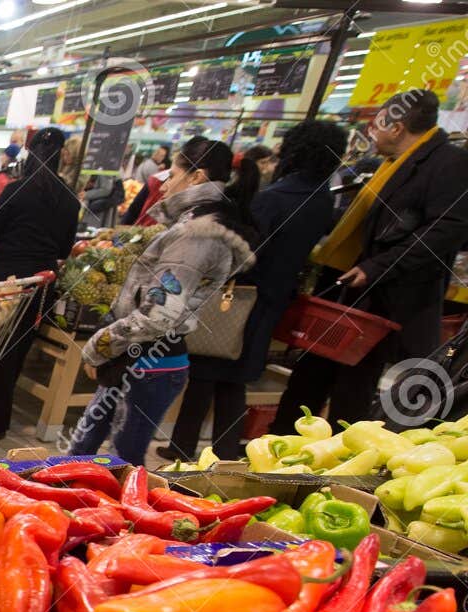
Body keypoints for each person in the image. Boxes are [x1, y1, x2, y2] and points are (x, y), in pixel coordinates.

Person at [274, 90, 468, 427]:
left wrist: (378, 266)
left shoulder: (448, 163)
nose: (370, 134)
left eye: (376, 125)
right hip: (355, 291)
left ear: (397, 127)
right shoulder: (391, 164)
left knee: (354, 384)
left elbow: (447, 229)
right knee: (314, 371)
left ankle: (339, 456)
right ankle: (285, 438)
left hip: (393, 296)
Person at [68, 137, 258, 465]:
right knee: (82, 446)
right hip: (136, 357)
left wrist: (100, 344)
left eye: (172, 174)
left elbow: (159, 315)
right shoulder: (194, 225)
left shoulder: (196, 233)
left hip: (149, 363)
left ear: (197, 177)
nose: (164, 183)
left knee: (122, 465)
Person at [165, 122, 346, 461]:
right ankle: (224, 453)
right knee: (235, 379)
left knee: (205, 373)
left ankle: (182, 450)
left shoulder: (275, 198)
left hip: (237, 298)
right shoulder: (322, 200)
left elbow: (242, 251)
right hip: (273, 298)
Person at [0, 128, 80, 441]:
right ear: (61, 156)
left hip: (9, 284)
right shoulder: (69, 198)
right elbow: (65, 249)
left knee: (0, 350)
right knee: (17, 352)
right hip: (42, 285)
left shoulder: (17, 190)